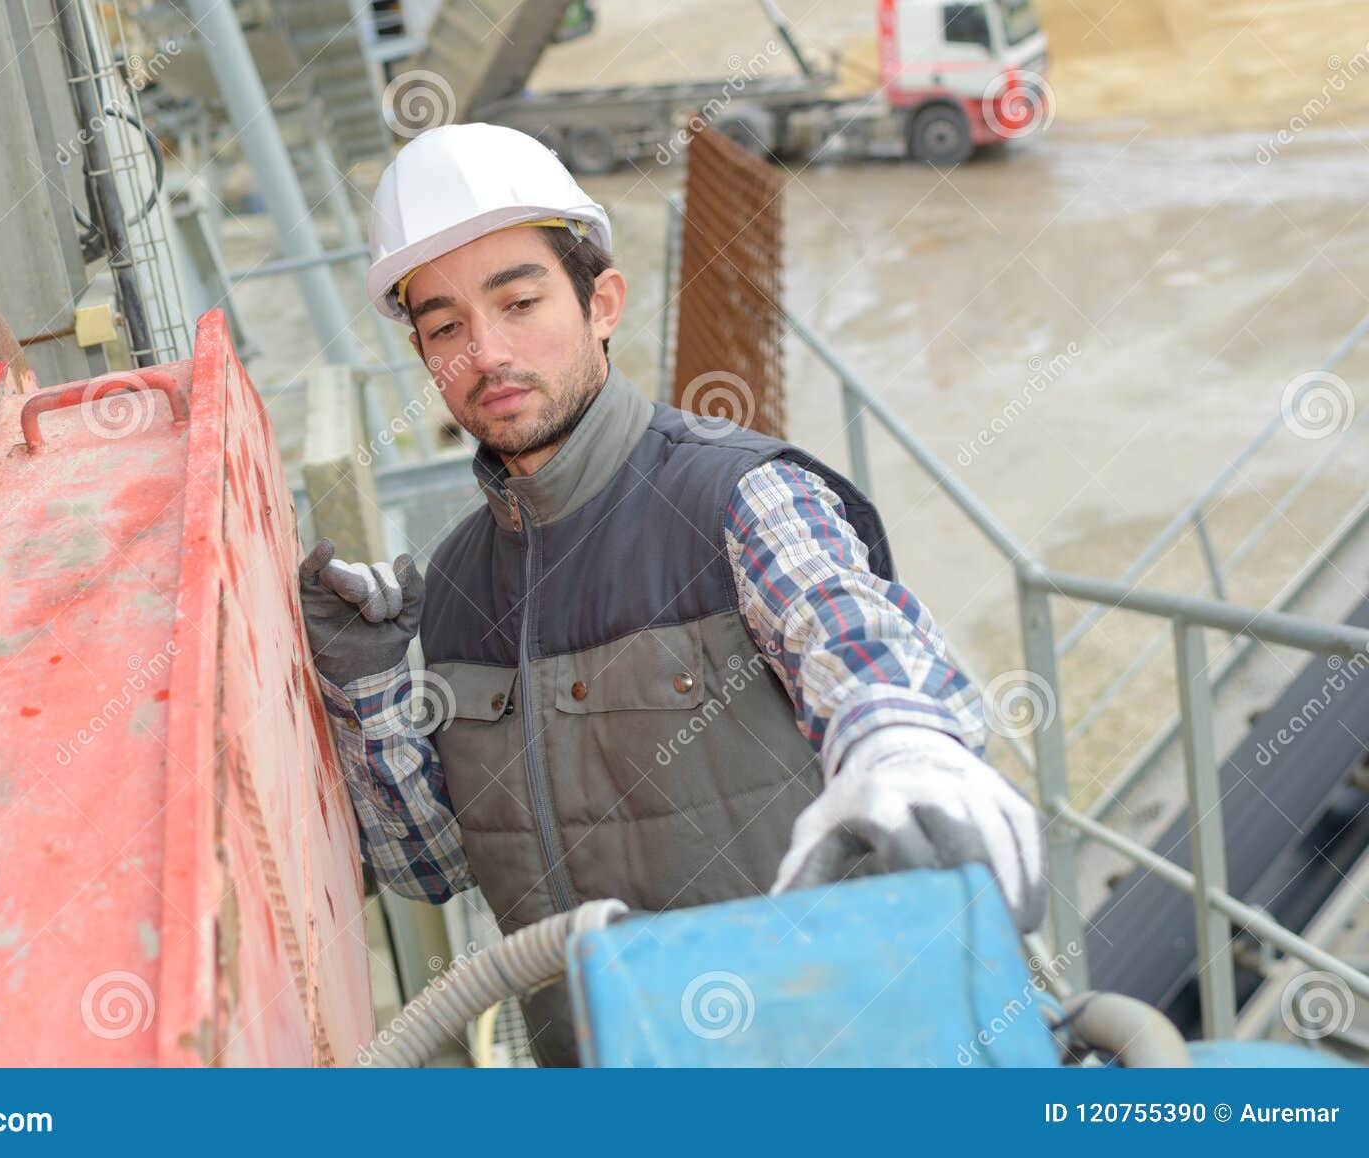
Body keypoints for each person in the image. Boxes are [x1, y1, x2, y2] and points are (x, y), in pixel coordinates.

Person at [299, 122, 1046, 1068]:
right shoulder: (452, 589)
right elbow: (432, 863)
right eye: (446, 326)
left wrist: (899, 737)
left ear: (602, 301)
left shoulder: (735, 496)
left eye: (520, 301)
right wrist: (366, 687)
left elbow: (845, 625)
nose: (486, 352)